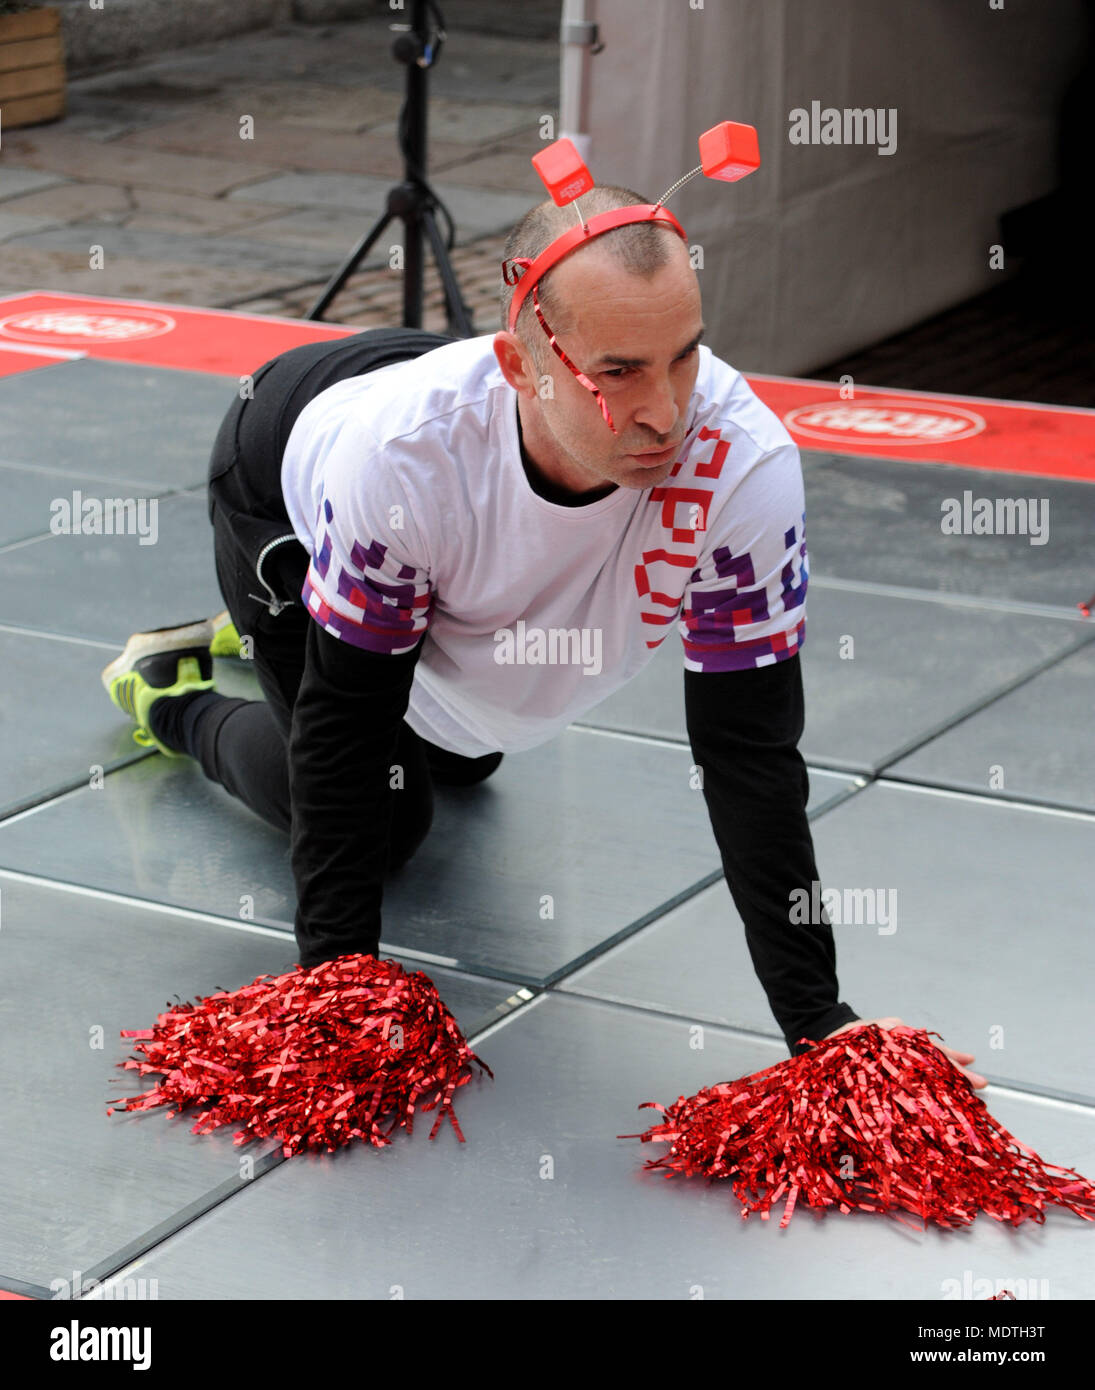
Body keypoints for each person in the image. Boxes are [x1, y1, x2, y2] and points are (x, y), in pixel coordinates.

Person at [101, 183, 986, 1085]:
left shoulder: (742, 465)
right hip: (285, 469)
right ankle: (177, 691)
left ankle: (378, 608)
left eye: (683, 356)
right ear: (522, 367)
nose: (664, 411)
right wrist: (338, 995)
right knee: (390, 813)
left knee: (472, 751)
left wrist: (818, 1025)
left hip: (452, 455)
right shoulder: (402, 461)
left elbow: (748, 753)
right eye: (620, 373)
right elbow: (347, 728)